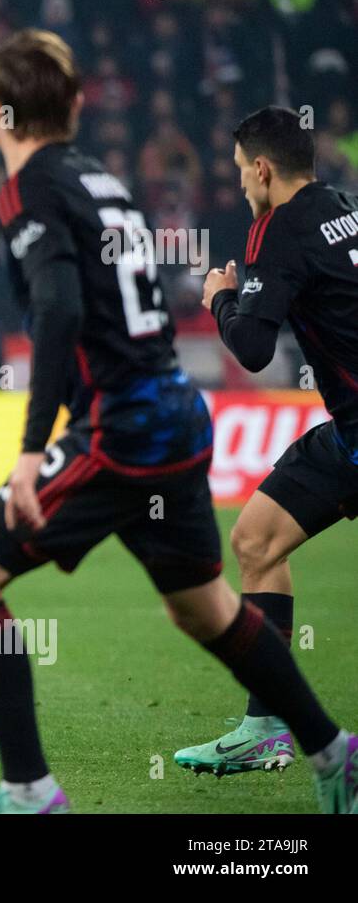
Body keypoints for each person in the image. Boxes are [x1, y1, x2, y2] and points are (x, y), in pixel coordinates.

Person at [0, 30, 356, 813]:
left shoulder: (29, 191)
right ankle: (331, 751)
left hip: (122, 430)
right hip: (175, 416)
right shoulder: (104, 180)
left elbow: (57, 310)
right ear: (78, 106)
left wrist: (33, 452)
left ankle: (28, 788)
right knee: (206, 606)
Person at [178, 106, 358, 782]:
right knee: (257, 540)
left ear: (261, 168)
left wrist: (220, 298)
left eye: (237, 170)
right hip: (348, 437)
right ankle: (265, 726)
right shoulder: (346, 205)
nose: (237, 184)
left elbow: (252, 349)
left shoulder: (276, 229)